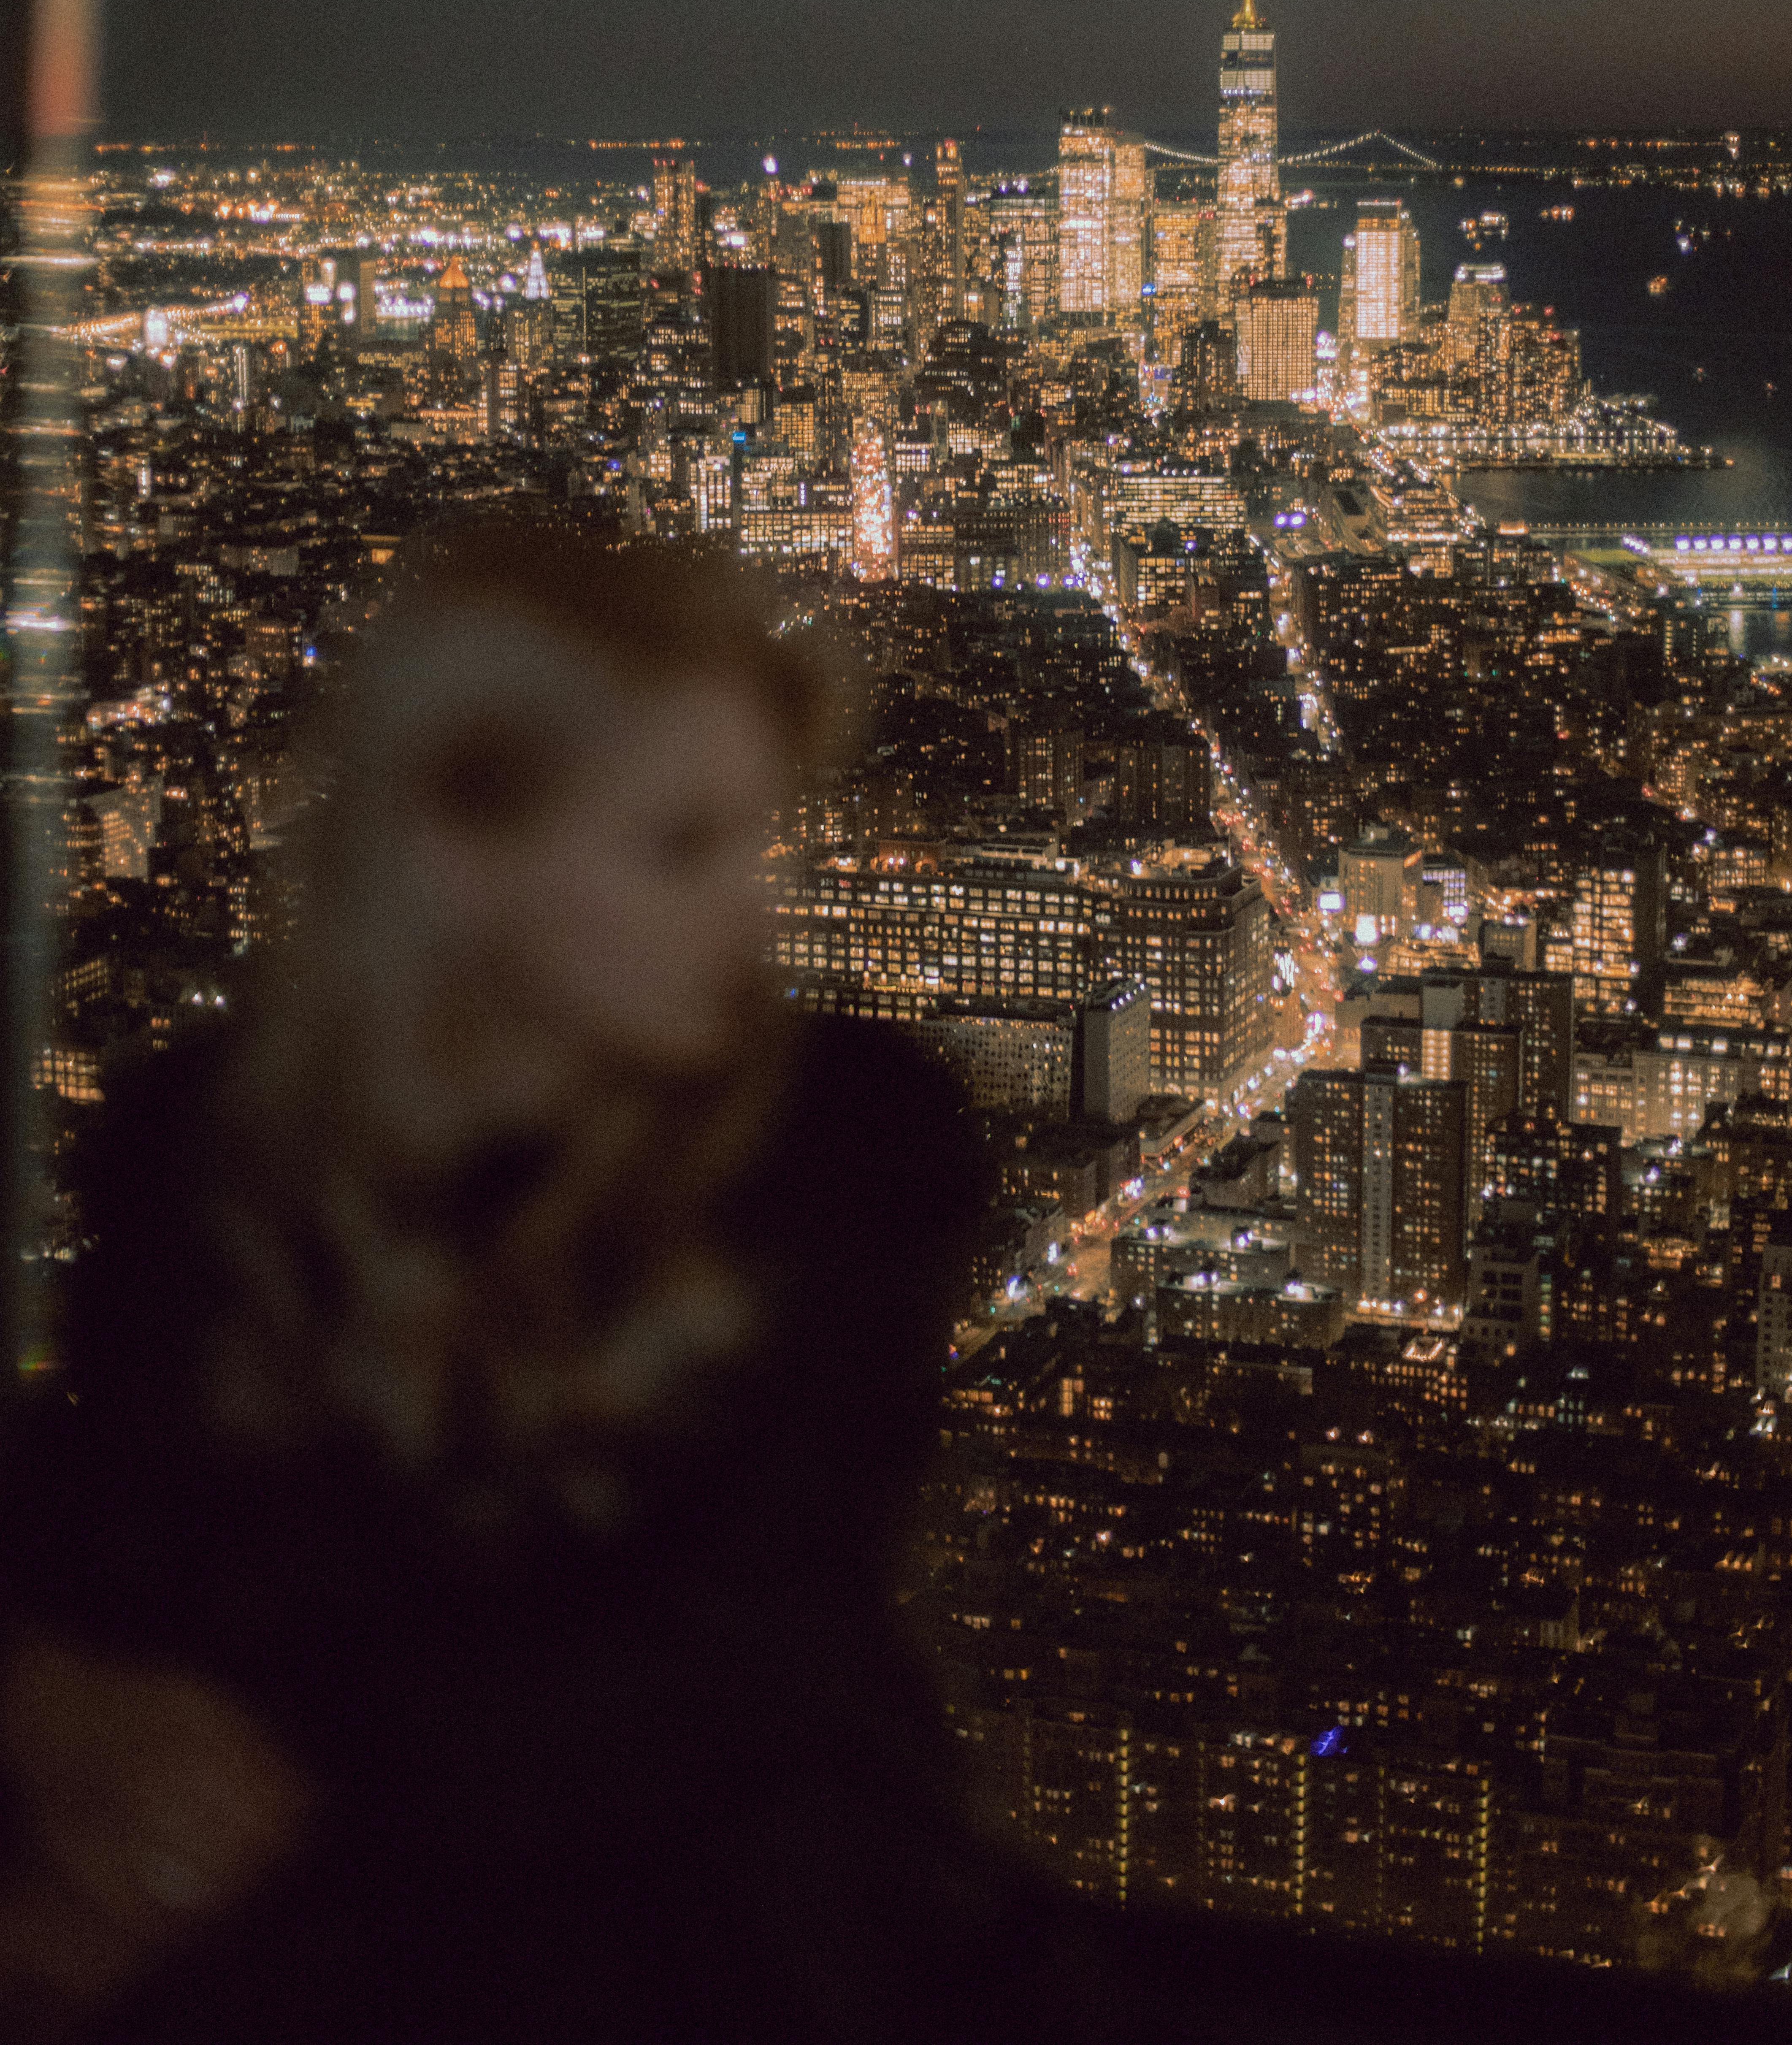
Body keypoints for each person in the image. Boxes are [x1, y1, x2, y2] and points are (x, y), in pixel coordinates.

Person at [0, 523, 1080, 2040]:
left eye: (754, 841)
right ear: (458, 851)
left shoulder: (853, 1140)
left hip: (747, 1951)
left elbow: (724, 1658)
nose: (749, 915)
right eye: (678, 847)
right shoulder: (200, 1143)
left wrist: (231, 1784)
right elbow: (99, 1527)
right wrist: (53, 1693)